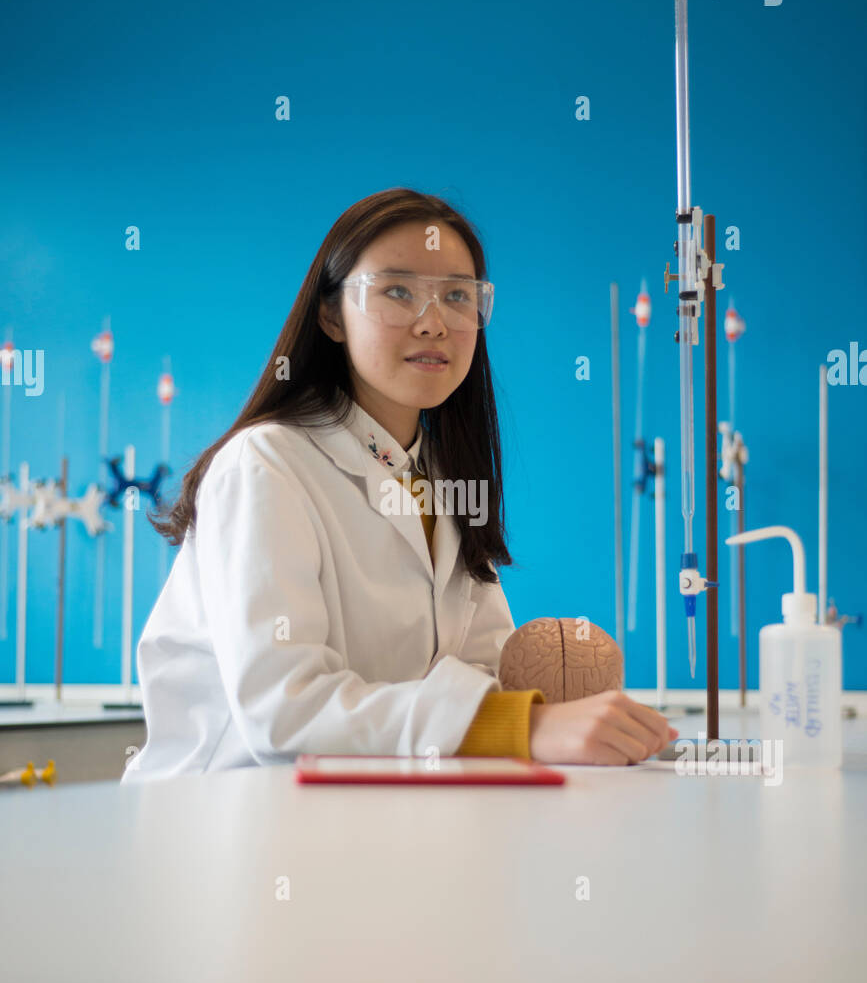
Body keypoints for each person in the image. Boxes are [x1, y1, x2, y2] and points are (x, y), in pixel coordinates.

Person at [122, 188, 676, 780]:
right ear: (332, 314)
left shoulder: (438, 477)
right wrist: (526, 728)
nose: (434, 322)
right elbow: (284, 713)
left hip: (374, 820)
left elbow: (482, 667)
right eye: (397, 291)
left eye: (458, 296)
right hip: (226, 826)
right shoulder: (265, 465)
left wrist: (567, 698)